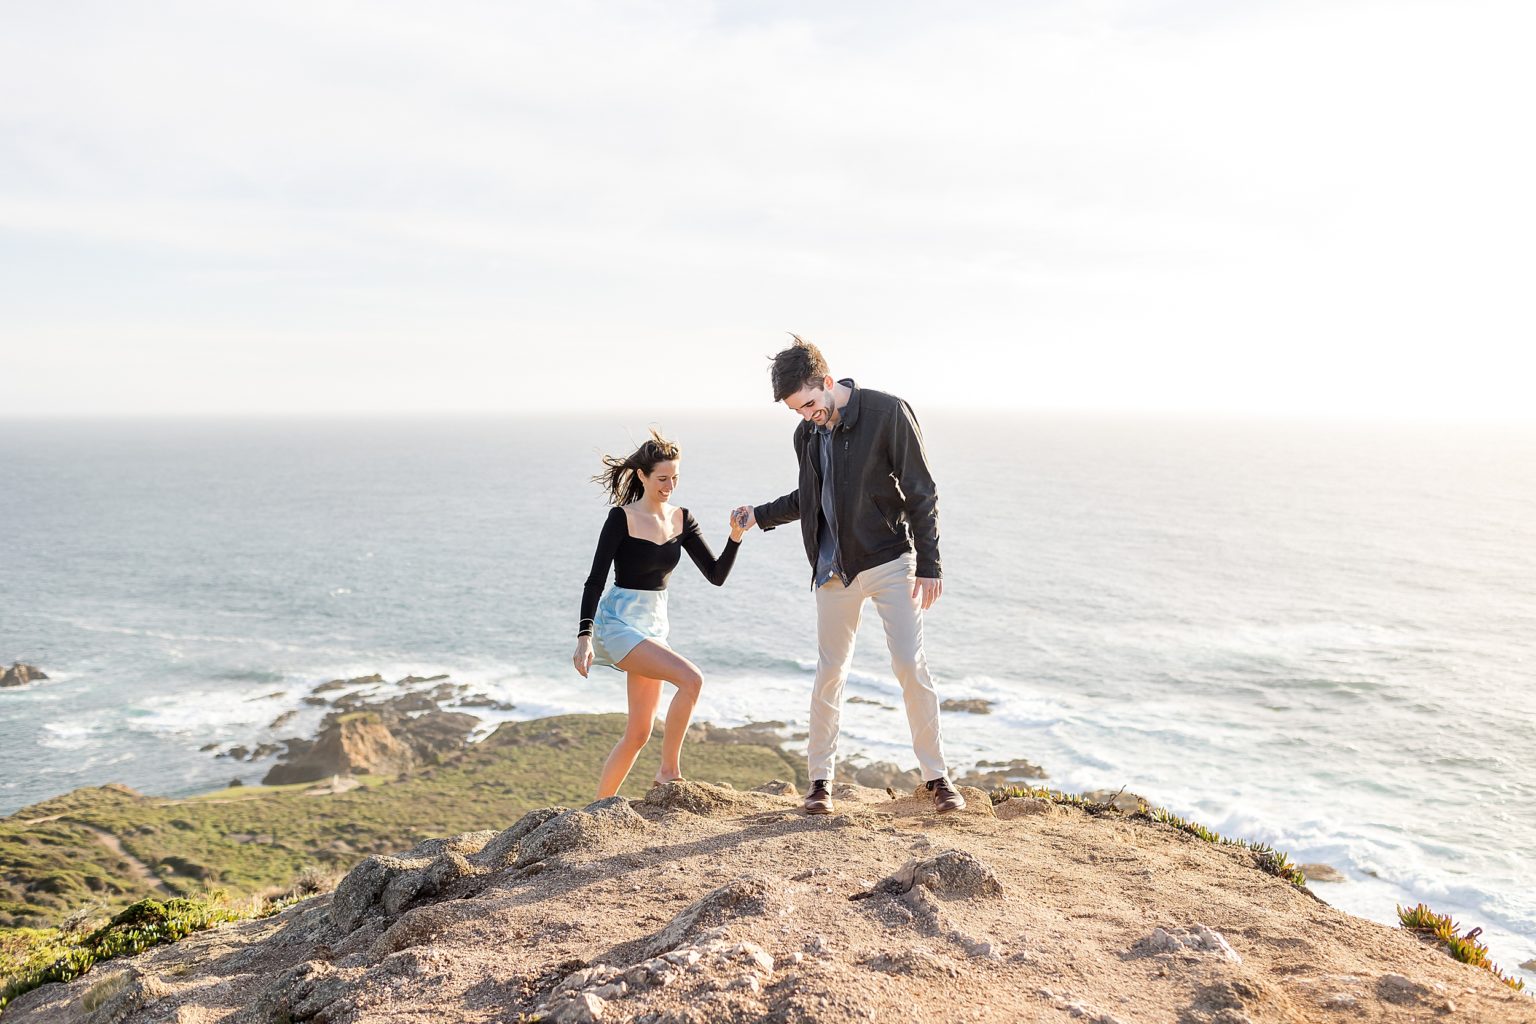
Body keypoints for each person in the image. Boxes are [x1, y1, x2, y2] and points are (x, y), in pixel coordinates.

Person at [733, 336, 966, 815]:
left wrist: (930, 563)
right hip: (831, 572)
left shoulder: (887, 413)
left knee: (909, 664)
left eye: (810, 404)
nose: (807, 415)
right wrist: (760, 514)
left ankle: (938, 780)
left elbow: (922, 491)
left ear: (827, 380)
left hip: (888, 561)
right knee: (830, 673)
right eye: (798, 411)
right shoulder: (807, 436)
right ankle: (820, 783)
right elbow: (808, 497)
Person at [575, 430, 746, 798]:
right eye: (662, 478)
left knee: (638, 732)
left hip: (654, 624)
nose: (669, 486)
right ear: (642, 476)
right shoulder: (621, 518)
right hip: (619, 622)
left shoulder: (683, 519)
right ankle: (668, 772)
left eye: (675, 478)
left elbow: (715, 575)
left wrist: (734, 537)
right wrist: (584, 637)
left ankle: (598, 809)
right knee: (691, 679)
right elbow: (594, 580)